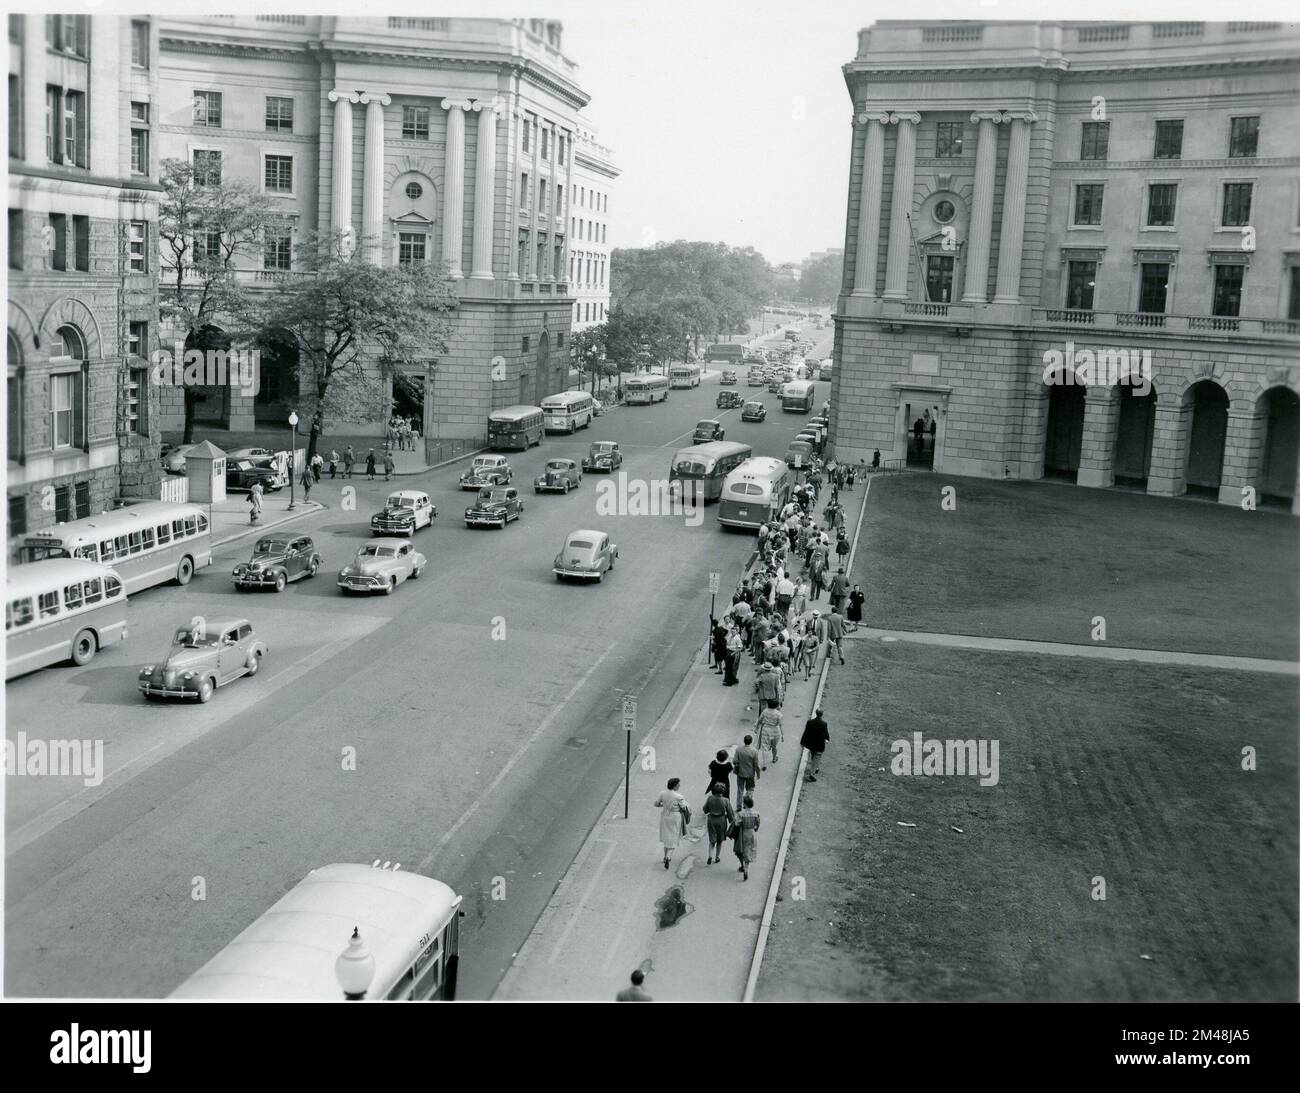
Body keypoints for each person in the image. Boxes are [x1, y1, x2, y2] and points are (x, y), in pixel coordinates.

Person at [654, 777, 690, 870]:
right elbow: (684, 807)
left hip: (665, 816)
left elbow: (657, 804)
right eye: (678, 784)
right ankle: (668, 857)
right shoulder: (679, 796)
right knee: (673, 838)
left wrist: (664, 805)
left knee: (666, 837)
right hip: (675, 817)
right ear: (674, 786)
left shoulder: (662, 793)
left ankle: (664, 856)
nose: (679, 786)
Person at [702, 783, 736, 866]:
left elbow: (705, 809)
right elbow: (731, 813)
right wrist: (730, 819)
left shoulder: (710, 798)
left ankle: (710, 856)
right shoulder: (726, 800)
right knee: (720, 840)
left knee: (712, 840)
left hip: (711, 820)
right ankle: (717, 857)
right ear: (723, 791)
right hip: (721, 820)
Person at [733, 795, 760, 881]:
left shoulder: (741, 814)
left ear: (745, 804)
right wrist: (755, 829)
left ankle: (742, 866)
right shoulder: (756, 813)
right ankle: (746, 868)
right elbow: (757, 824)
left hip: (743, 834)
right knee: (748, 851)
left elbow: (737, 823)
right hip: (751, 833)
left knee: (741, 850)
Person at [801, 708, 830, 781]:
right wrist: (827, 739)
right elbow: (826, 733)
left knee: (813, 755)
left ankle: (816, 768)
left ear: (816, 713)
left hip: (811, 743)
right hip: (819, 743)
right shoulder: (824, 724)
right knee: (817, 757)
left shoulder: (809, 722)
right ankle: (811, 773)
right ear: (822, 714)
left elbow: (806, 732)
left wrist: (802, 742)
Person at [733, 735, 761, 809]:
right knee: (750, 790)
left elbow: (734, 761)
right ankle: (746, 804)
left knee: (740, 790)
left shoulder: (738, 750)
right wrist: (758, 774)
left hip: (740, 773)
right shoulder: (754, 751)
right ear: (751, 742)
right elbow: (756, 764)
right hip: (750, 774)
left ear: (744, 741)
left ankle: (739, 806)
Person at [756, 700, 783, 768]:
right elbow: (780, 725)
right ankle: (774, 758)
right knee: (774, 747)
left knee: (765, 747)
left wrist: (756, 728)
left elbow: (759, 720)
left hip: (766, 730)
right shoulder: (779, 714)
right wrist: (783, 735)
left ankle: (764, 764)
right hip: (775, 731)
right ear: (776, 706)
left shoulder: (765, 711)